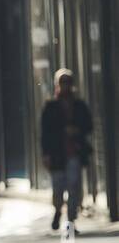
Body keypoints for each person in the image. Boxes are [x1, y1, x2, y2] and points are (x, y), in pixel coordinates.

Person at [41, 68, 93, 233]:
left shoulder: (79, 106)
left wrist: (77, 130)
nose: (65, 86)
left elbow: (89, 125)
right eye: (62, 82)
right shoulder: (50, 107)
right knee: (58, 188)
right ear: (57, 85)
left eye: (68, 82)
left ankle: (70, 222)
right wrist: (46, 154)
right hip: (57, 154)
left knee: (74, 187)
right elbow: (45, 133)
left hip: (74, 153)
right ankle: (57, 211)